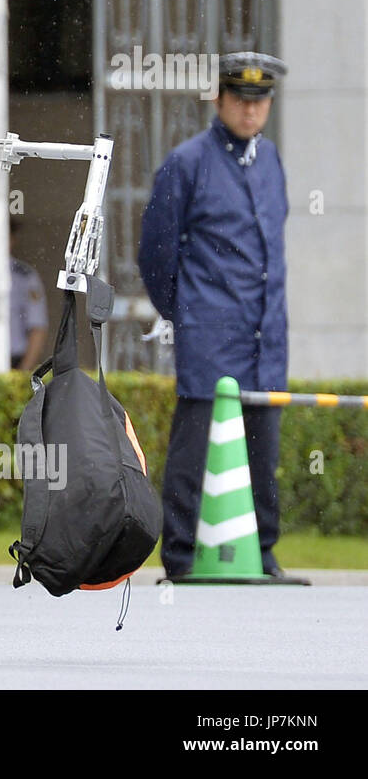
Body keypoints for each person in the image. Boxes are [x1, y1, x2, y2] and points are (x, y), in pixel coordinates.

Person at [137, 51, 288, 578]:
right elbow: (155, 253)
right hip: (210, 335)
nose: (251, 112)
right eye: (241, 100)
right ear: (220, 100)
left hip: (265, 334)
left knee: (262, 452)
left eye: (260, 101)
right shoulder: (188, 162)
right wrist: (187, 311)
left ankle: (263, 555)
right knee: (195, 450)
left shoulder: (270, 161)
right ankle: (180, 557)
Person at [8, 216, 49, 371]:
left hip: (14, 360)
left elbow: (37, 328)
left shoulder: (24, 276)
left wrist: (23, 374)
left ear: (11, 240)